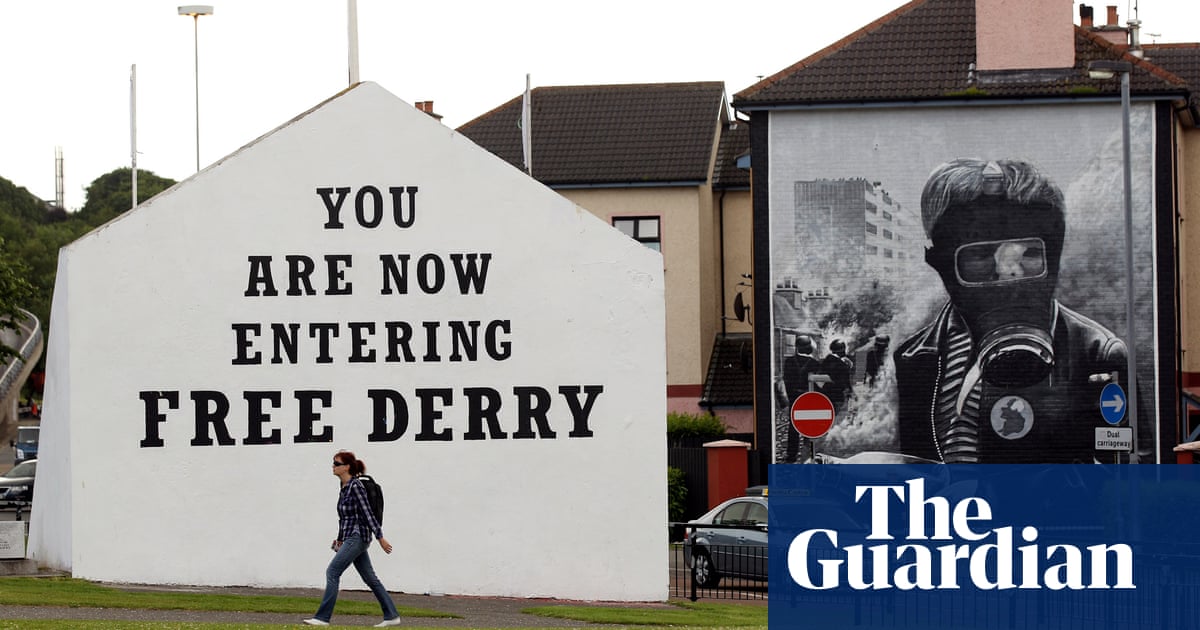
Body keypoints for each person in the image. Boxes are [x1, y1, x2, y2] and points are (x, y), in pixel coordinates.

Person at [893, 158, 1148, 463]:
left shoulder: (1096, 355)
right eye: (980, 255)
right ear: (942, 264)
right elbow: (913, 470)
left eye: (1029, 253)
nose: (1009, 273)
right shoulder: (915, 358)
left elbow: (1127, 466)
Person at [304, 451, 402, 627]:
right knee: (370, 578)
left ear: (346, 467)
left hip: (358, 536)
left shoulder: (356, 486)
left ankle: (322, 618)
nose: (333, 466)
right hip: (350, 537)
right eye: (333, 463)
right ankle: (392, 615)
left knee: (332, 572)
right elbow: (344, 518)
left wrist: (380, 537)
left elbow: (367, 513)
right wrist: (340, 539)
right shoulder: (343, 487)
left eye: (336, 463)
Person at [779, 334, 821, 462]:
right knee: (809, 426)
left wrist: (792, 397)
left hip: (794, 398)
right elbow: (818, 385)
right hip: (809, 398)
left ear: (797, 348)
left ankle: (791, 455)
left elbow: (786, 381)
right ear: (809, 348)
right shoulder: (815, 363)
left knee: (793, 427)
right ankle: (808, 454)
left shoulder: (789, 362)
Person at [819, 339, 854, 410]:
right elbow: (846, 381)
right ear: (841, 350)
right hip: (838, 396)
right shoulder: (842, 365)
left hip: (825, 394)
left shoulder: (825, 361)